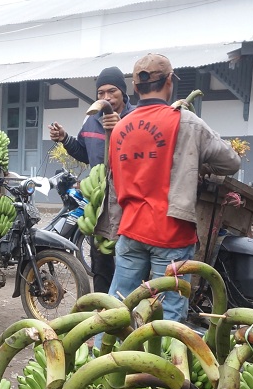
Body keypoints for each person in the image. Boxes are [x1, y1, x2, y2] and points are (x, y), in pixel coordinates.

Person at [103, 53, 241, 322]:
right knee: (168, 314)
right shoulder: (186, 122)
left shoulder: (120, 128)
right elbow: (231, 162)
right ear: (169, 82)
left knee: (118, 308)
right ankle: (162, 364)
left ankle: (103, 360)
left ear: (134, 87)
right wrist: (200, 166)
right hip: (172, 234)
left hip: (130, 230)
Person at [48, 67, 134, 293]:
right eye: (101, 93)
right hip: (99, 200)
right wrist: (65, 139)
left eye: (112, 91)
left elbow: (140, 154)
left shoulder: (134, 119)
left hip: (127, 199)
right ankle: (103, 311)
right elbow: (85, 154)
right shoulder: (92, 122)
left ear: (123, 93)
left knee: (129, 259)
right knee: (100, 259)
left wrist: (121, 129)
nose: (106, 98)